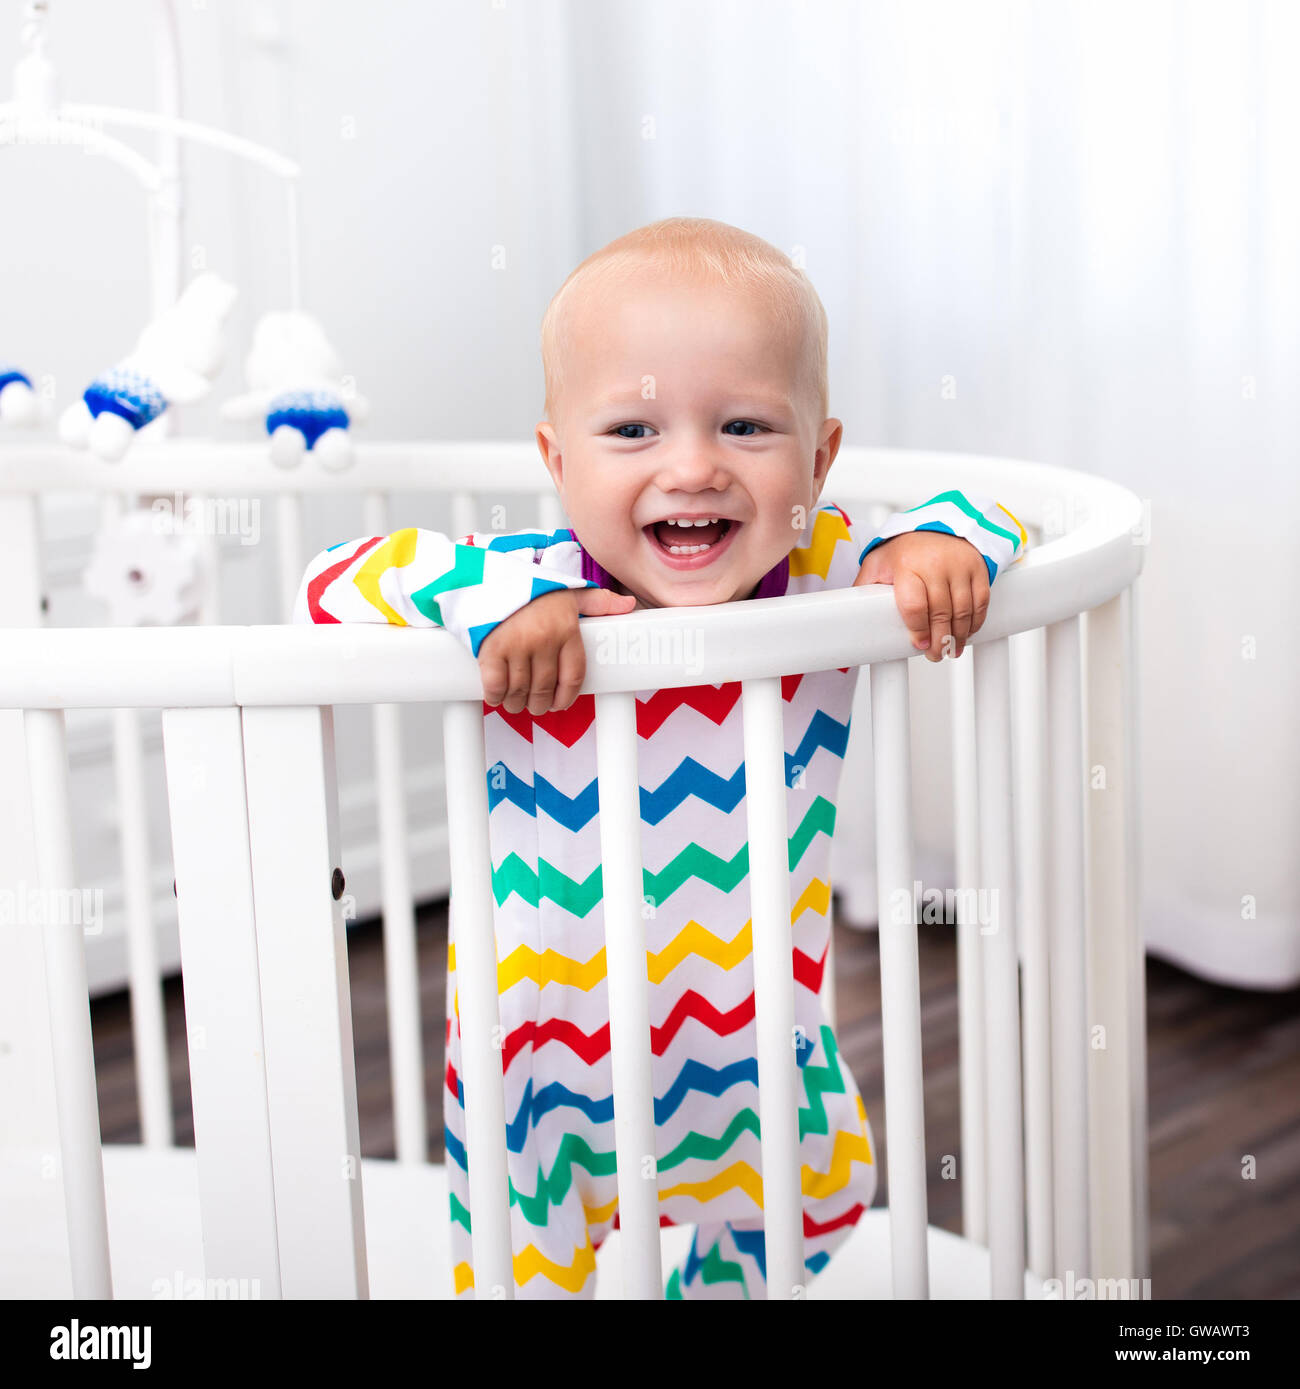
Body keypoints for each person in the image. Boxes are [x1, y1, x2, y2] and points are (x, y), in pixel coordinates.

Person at [294, 217, 1027, 1298]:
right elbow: (334, 578)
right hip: (539, 1044)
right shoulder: (534, 587)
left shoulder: (830, 580)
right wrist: (497, 606)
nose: (692, 467)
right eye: (632, 431)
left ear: (818, 460)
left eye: (742, 425)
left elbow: (988, 516)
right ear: (556, 460)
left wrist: (936, 546)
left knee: (812, 1205)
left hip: (751, 1017)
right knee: (524, 1265)